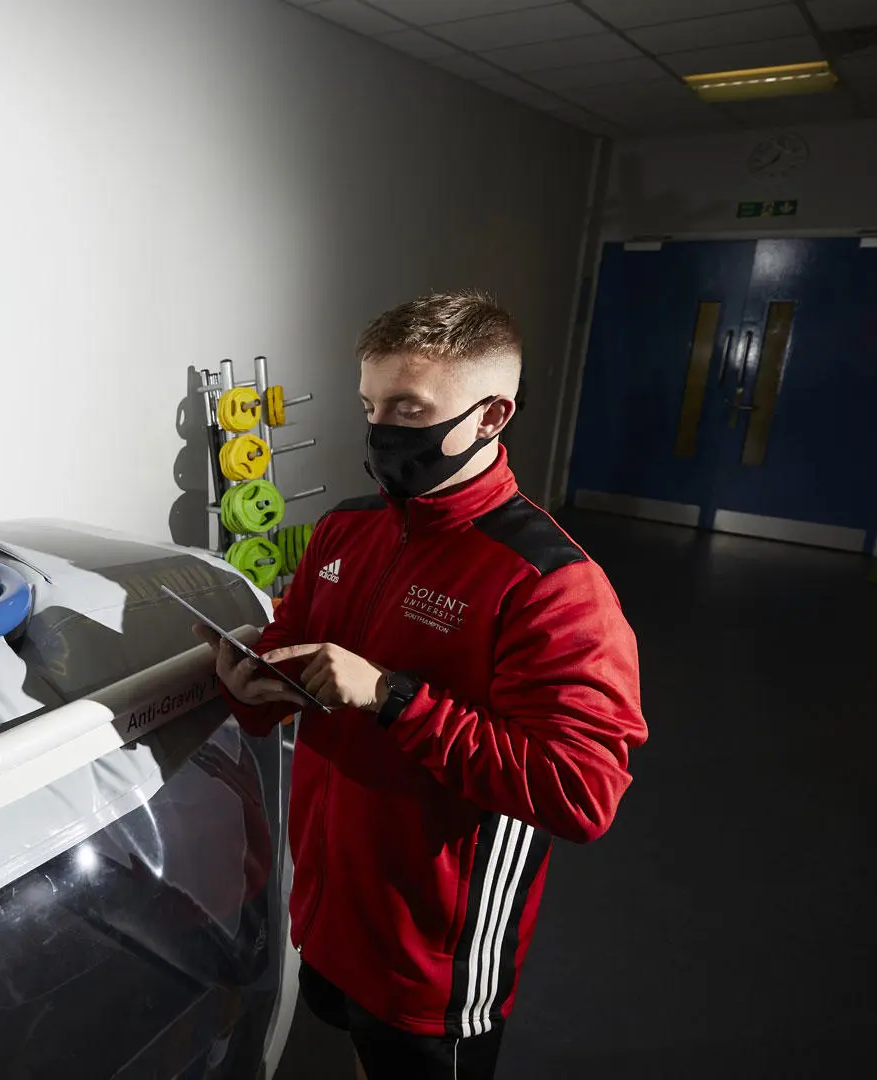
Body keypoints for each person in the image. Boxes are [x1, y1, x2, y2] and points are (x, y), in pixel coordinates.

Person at [202, 292, 647, 1080]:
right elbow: (291, 644)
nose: (381, 430)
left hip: (434, 953)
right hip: (331, 904)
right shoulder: (346, 527)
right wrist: (253, 680)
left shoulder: (553, 583)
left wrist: (392, 699)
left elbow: (581, 790)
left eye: (409, 408)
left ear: (490, 415)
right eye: (370, 404)